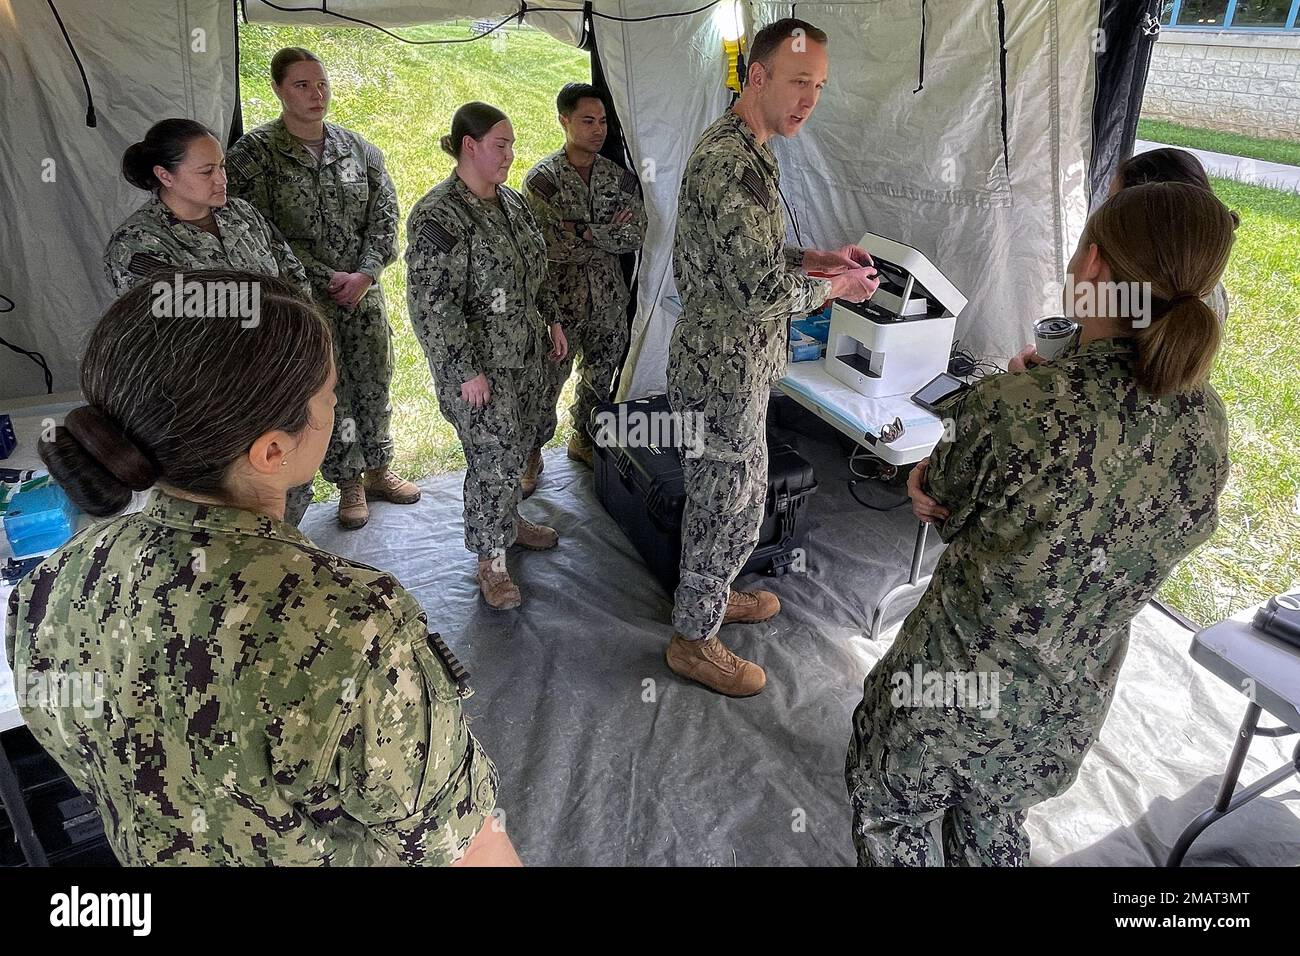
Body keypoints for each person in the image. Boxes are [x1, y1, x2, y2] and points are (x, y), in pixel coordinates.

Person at [4, 270, 518, 866]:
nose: (335, 406)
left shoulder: (49, 587)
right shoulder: (353, 631)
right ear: (273, 450)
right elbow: (466, 848)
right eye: (329, 397)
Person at [846, 182, 1238, 866]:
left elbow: (942, 502)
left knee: (895, 824)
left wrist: (1020, 401)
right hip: (1059, 715)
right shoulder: (1207, 425)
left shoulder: (1016, 405)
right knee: (992, 825)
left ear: (1093, 268)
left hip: (943, 702)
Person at [665, 18, 879, 697]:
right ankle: (692, 640)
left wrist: (815, 259)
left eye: (817, 87)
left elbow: (749, 258)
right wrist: (836, 287)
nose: (808, 101)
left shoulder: (754, 149)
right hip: (719, 368)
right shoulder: (731, 162)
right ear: (756, 77)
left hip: (738, 365)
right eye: (796, 83)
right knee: (725, 500)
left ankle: (711, 594)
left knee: (736, 493)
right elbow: (758, 289)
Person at [226, 47, 419, 531]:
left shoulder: (358, 149)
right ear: (277, 89)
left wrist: (366, 273)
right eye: (301, 85)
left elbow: (384, 217)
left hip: (362, 292)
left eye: (321, 84)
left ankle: (378, 469)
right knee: (324, 392)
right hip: (302, 300)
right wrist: (320, 275)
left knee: (374, 379)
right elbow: (257, 230)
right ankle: (348, 481)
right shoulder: (254, 156)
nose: (317, 94)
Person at [104, 118, 317, 527]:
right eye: (206, 171)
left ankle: (285, 559)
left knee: (284, 492)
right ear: (165, 175)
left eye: (221, 166)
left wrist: (296, 347)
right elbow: (177, 324)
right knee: (228, 512)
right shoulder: (138, 245)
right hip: (211, 405)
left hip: (278, 383)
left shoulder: (242, 215)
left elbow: (292, 276)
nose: (221, 179)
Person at [406, 103, 568, 611]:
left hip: (525, 357)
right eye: (501, 146)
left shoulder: (512, 204)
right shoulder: (438, 216)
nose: (510, 155)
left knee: (520, 446)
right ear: (469, 146)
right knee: (492, 460)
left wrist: (553, 317)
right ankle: (490, 563)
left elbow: (536, 271)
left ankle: (510, 523)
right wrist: (464, 371)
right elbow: (432, 305)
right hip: (481, 369)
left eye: (512, 145)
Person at [521, 82, 647, 492]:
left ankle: (584, 439)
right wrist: (606, 232)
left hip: (609, 302)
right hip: (559, 304)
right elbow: (547, 243)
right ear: (564, 121)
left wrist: (583, 232)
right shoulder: (543, 181)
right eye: (587, 121)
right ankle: (531, 453)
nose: (598, 130)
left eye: (603, 121)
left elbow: (637, 235)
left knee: (600, 377)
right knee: (545, 384)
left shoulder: (621, 179)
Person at [1008, 146, 1229, 374]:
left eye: (1114, 204)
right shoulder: (1199, 289)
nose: (1105, 214)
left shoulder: (1125, 298)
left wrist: (1031, 390)